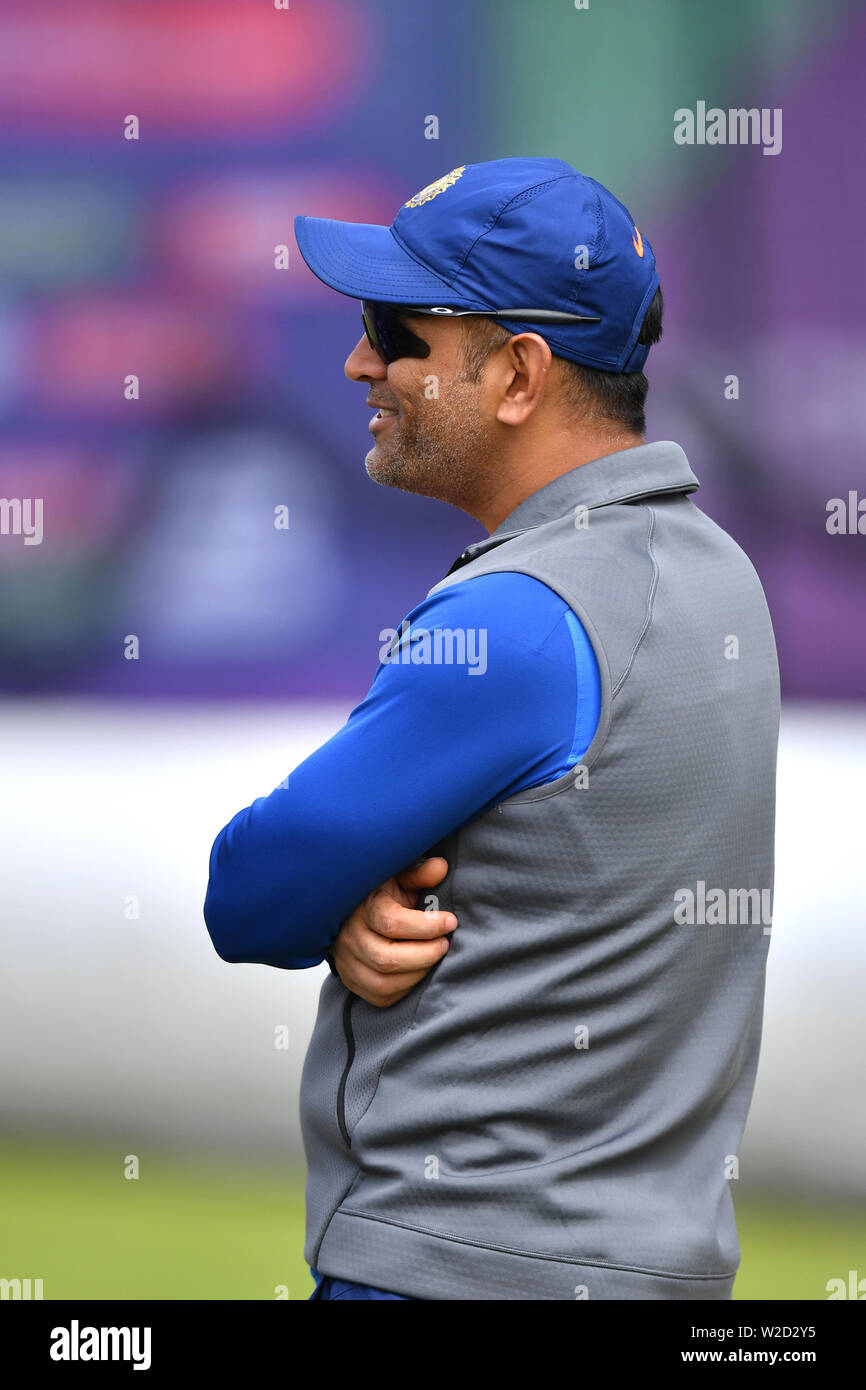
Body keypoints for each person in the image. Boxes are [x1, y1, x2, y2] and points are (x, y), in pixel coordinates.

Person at [204, 157, 780, 1301]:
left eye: (396, 328)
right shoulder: (722, 577)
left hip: (450, 1271)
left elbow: (248, 892)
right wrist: (354, 907)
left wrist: (327, 901)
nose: (359, 359)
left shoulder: (519, 615)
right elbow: (567, 876)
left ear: (518, 373)